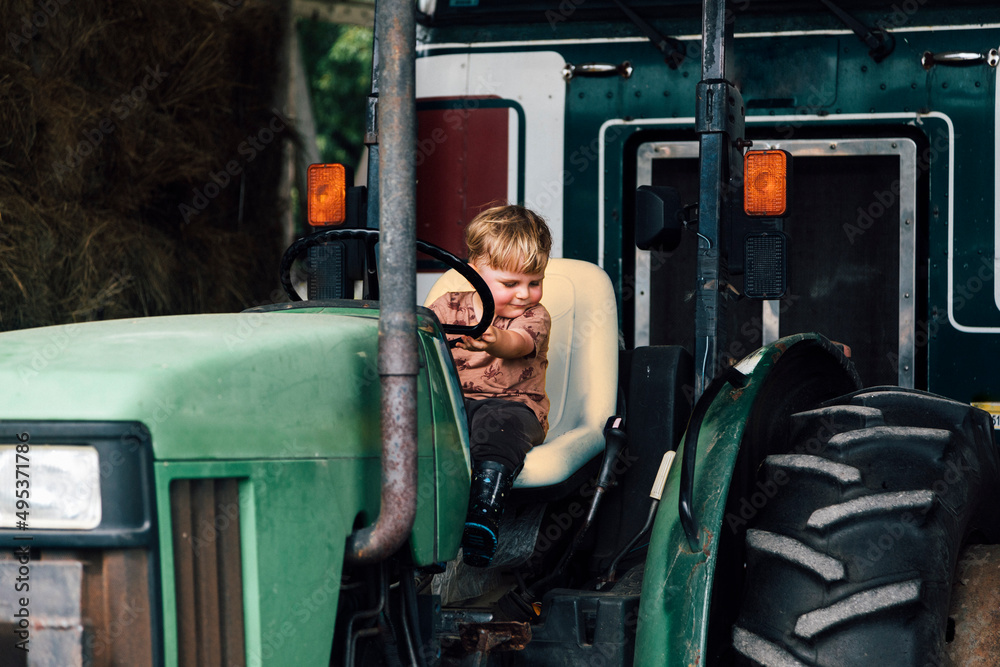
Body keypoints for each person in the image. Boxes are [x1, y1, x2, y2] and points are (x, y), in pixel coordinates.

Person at [428, 204, 552, 568]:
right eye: (510, 284)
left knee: (498, 427)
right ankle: (426, 531)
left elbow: (518, 344)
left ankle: (483, 515)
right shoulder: (447, 307)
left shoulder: (534, 316)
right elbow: (420, 341)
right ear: (474, 276)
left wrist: (494, 338)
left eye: (535, 281)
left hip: (516, 406)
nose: (524, 294)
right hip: (457, 405)